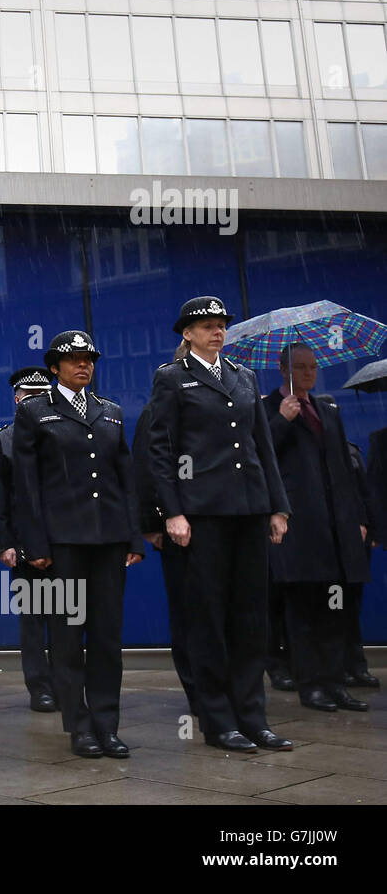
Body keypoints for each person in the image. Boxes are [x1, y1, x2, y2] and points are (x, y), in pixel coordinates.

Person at [147, 296, 292, 753]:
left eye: (221, 324)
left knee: (251, 618)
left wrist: (277, 506)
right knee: (206, 619)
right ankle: (218, 719)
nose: (217, 331)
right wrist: (172, 511)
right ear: (186, 333)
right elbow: (160, 450)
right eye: (206, 325)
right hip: (202, 512)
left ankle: (253, 717)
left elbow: (261, 444)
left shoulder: (243, 376)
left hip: (248, 508)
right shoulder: (172, 378)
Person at [13, 331, 144, 759]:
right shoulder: (35, 412)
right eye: (73, 360)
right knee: (68, 637)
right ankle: (80, 725)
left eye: (89, 359)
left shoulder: (111, 414)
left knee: (107, 637)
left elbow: (126, 478)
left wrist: (133, 536)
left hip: (107, 541)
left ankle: (107, 723)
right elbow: (26, 485)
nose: (83, 365)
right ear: (54, 367)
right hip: (62, 544)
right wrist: (35, 543)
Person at [263, 342, 370, 713]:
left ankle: (336, 682)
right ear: (283, 369)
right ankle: (311, 685)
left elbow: (342, 466)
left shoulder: (328, 409)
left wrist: (357, 517)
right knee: (303, 610)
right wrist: (282, 420)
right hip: (299, 527)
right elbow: (261, 460)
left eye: (313, 367)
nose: (309, 373)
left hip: (336, 526)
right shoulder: (267, 409)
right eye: (301, 367)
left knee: (336, 608)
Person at [0, 365, 56, 714]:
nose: (38, 402)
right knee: (33, 618)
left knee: (68, 615)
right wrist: (6, 544)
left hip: (63, 539)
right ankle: (40, 688)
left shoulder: (64, 432)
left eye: (44, 396)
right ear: (17, 400)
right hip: (25, 542)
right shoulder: (5, 440)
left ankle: (65, 682)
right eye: (31, 397)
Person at [132, 390, 196, 719]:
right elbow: (145, 467)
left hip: (222, 521)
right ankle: (199, 690)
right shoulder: (157, 410)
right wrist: (151, 524)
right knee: (189, 610)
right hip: (178, 527)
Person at [345, 440, 380, 689]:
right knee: (334, 608)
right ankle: (339, 667)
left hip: (357, 545)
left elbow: (365, 492)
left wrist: (372, 526)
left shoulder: (351, 451)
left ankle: (355, 665)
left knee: (351, 606)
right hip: (330, 546)